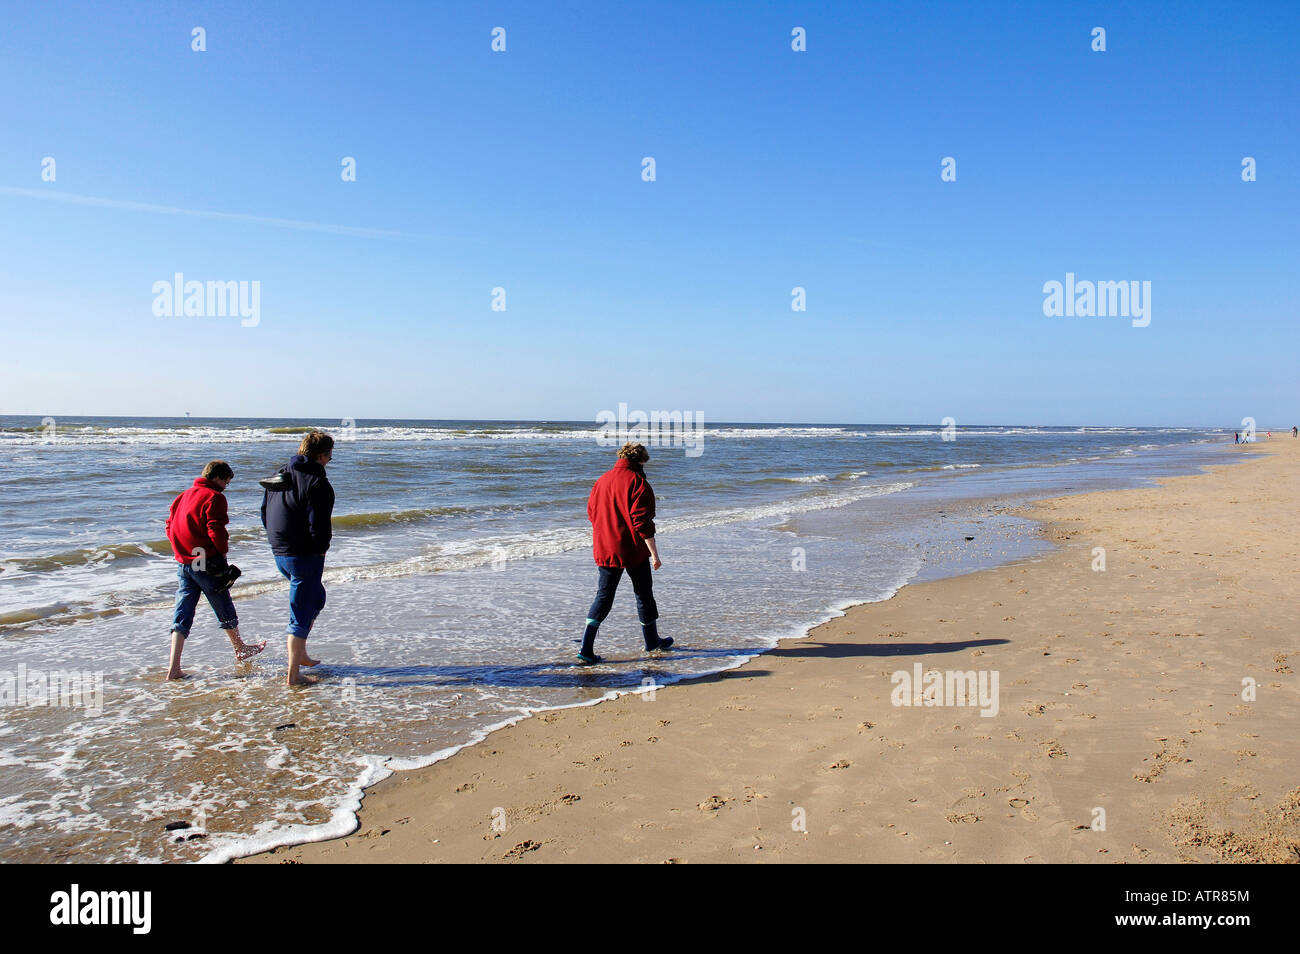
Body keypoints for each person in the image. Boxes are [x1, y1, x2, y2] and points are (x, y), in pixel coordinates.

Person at [164, 460, 266, 679]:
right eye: (226, 482)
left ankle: (174, 667)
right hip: (203, 560)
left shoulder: (182, 496)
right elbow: (215, 530)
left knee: (182, 613)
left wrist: (181, 549)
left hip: (183, 561)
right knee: (222, 601)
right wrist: (222, 554)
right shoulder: (214, 497)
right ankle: (240, 649)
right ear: (218, 478)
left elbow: (169, 526)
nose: (226, 487)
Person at [578, 442, 673, 664]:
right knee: (643, 594)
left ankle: (586, 648)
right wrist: (655, 554)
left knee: (603, 596)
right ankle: (651, 642)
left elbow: (592, 514)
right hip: (633, 549)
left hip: (606, 547)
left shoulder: (601, 480)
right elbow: (642, 523)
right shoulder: (639, 483)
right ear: (640, 461)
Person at [261, 431, 336, 685]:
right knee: (301, 611)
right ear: (321, 455)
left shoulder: (280, 473)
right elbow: (320, 524)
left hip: (279, 549)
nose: (329, 461)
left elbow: (265, 511)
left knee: (316, 598)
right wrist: (321, 549)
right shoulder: (318, 483)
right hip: (304, 554)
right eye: (329, 457)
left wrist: (275, 540)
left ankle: (301, 653)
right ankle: (293, 676)